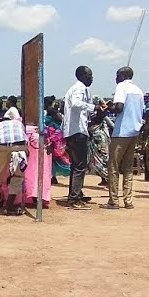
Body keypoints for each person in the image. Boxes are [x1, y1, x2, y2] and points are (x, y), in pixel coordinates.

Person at [105, 66, 145, 209]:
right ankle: (128, 200)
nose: (115, 79)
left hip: (121, 132)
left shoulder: (121, 87)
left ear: (122, 76)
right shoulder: (139, 90)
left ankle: (114, 200)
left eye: (117, 75)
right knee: (128, 168)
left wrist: (107, 108)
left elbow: (119, 107)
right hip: (134, 132)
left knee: (113, 167)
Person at [63, 66, 96, 208]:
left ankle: (76, 193)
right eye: (90, 75)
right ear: (82, 76)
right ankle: (74, 198)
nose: (92, 78)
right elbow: (76, 104)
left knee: (76, 165)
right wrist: (93, 107)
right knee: (80, 166)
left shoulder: (74, 88)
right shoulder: (80, 88)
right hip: (78, 131)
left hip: (72, 131)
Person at [0, 111, 28, 209]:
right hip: (20, 146)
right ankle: (10, 204)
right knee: (17, 175)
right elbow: (26, 139)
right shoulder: (19, 124)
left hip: (2, 147)